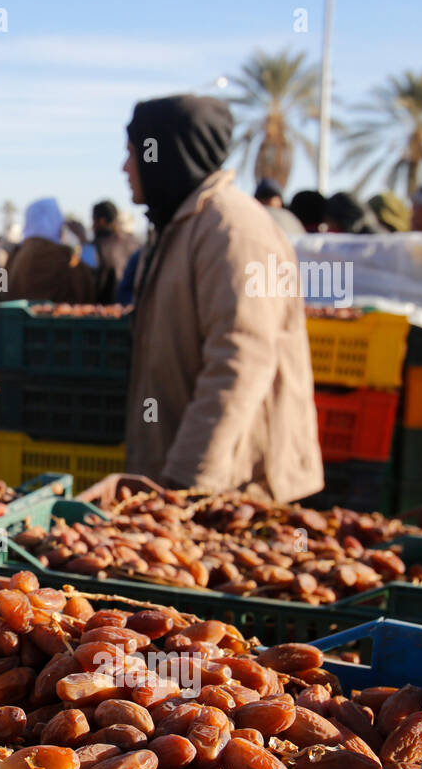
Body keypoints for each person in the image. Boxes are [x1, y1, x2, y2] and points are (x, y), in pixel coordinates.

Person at [121, 94, 323, 502]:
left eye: (132, 154)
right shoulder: (179, 226)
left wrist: (188, 477)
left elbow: (241, 358)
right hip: (192, 481)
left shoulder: (232, 230)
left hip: (234, 485)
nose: (126, 168)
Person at [4, 198, 95, 305]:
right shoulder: (65, 256)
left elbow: (0, 291)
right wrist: (83, 241)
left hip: (15, 320)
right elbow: (86, 289)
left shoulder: (15, 254)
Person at [91, 200, 140, 304]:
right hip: (131, 309)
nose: (92, 226)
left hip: (102, 312)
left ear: (102, 221)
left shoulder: (94, 246)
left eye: (93, 220)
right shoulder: (135, 243)